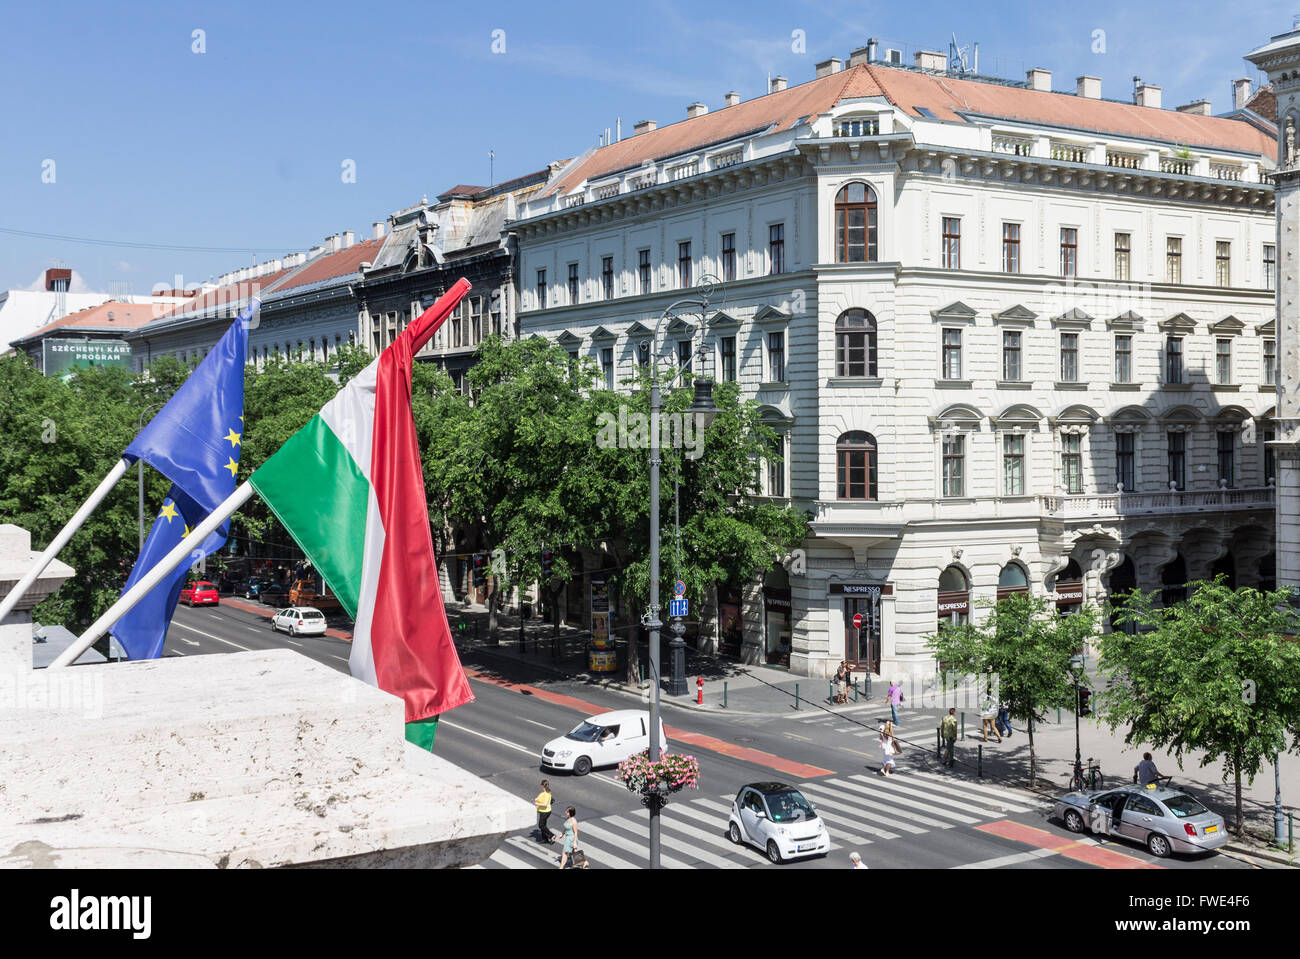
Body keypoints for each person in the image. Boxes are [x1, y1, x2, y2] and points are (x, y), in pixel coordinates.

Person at [534, 780, 555, 844]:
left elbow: (545, 804)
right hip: (545, 811)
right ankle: (545, 839)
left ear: (543, 786)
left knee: (541, 825)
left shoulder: (546, 794)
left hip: (545, 812)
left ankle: (551, 835)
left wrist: (537, 803)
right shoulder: (547, 792)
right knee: (543, 825)